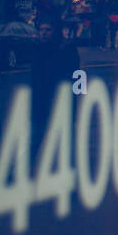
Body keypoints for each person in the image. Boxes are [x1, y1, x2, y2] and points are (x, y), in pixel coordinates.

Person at [30, 15, 81, 152]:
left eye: (48, 30)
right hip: (41, 102)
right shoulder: (38, 49)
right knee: (37, 139)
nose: (44, 33)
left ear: (55, 31)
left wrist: (75, 99)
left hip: (61, 101)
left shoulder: (67, 49)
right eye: (41, 30)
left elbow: (77, 76)